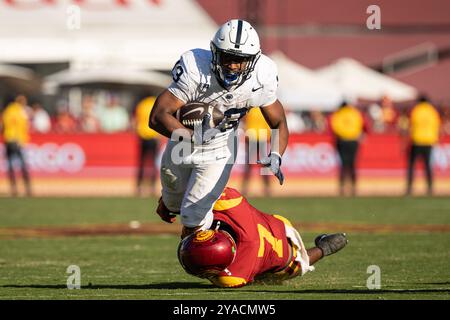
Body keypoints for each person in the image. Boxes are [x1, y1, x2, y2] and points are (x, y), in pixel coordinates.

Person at [149, 19, 289, 238]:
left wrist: (276, 154)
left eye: (240, 60)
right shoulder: (195, 67)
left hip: (222, 145)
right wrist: (193, 137)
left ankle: (199, 259)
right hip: (183, 141)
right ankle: (169, 202)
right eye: (227, 57)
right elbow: (157, 116)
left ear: (253, 60)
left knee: (194, 217)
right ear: (214, 52)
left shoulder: (263, 75)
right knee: (171, 204)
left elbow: (279, 121)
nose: (233, 65)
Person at [177, 187, 348, 288]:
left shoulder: (232, 277)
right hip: (276, 223)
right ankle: (327, 244)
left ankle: (323, 248)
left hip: (283, 253)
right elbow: (204, 186)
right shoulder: (230, 201)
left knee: (297, 264)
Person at [329, 101, 367, 196]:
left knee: (343, 164)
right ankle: (354, 187)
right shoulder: (355, 113)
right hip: (354, 140)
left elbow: (334, 127)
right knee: (352, 164)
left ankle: (342, 188)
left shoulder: (338, 114)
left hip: (342, 140)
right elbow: (362, 125)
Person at [406, 95, 441, 196]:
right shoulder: (432, 111)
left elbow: (410, 124)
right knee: (428, 166)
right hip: (429, 141)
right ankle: (430, 187)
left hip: (417, 140)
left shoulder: (416, 110)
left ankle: (409, 187)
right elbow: (437, 125)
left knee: (412, 165)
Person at [1, 94, 32, 196]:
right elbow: (21, 126)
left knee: (10, 165)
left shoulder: (7, 111)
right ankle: (28, 189)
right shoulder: (20, 112)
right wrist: (19, 139)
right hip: (19, 141)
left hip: (8, 140)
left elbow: (3, 126)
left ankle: (14, 189)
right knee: (23, 165)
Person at [133, 96, 160, 196]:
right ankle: (152, 187)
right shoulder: (155, 102)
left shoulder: (141, 105)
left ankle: (139, 187)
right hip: (153, 136)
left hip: (143, 135)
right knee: (153, 164)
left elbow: (136, 120)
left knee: (142, 163)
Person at [242, 107, 271, 197]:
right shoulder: (252, 108)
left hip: (261, 137)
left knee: (263, 165)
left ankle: (266, 188)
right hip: (253, 137)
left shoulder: (259, 107)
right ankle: (246, 188)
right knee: (250, 165)